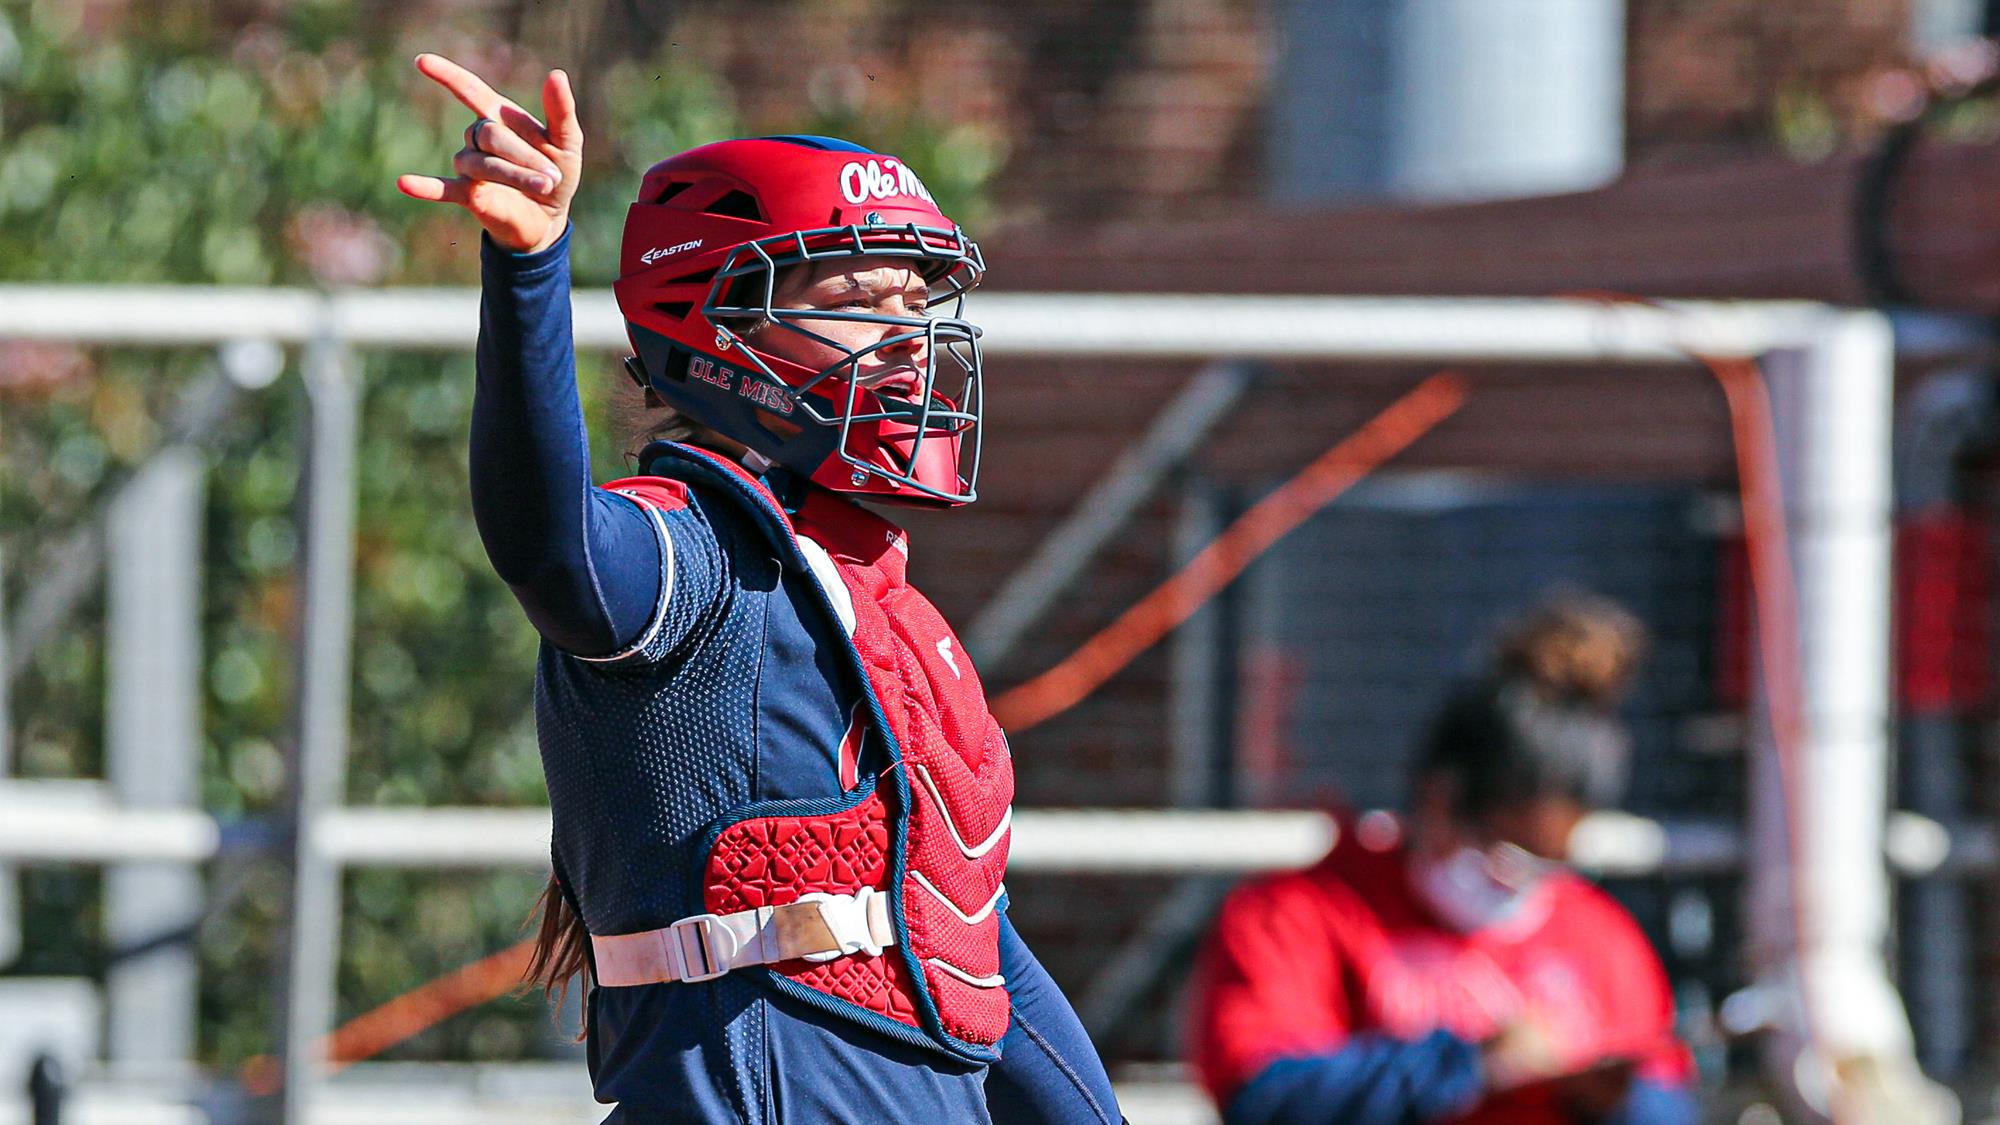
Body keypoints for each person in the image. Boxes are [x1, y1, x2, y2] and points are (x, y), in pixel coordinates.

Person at [396, 54, 1122, 1124]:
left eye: (917, 303)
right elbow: (548, 547)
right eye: (859, 299)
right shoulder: (689, 551)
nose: (911, 342)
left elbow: (966, 950)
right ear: (717, 316)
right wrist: (530, 269)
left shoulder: (884, 605)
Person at [1186, 595, 1698, 1125]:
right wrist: (1473, 1062)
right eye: (1509, 857)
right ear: (1440, 802)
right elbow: (1264, 1097)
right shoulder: (1299, 914)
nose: (1523, 886)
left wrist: (1615, 1097)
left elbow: (1668, 1098)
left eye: (1547, 865)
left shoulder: (1599, 936)